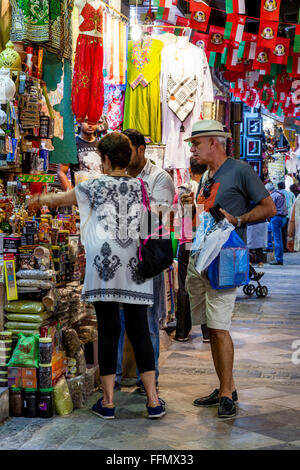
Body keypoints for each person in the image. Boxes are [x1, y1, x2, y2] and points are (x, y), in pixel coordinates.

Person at [29, 132, 166, 420]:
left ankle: (108, 401)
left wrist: (38, 198)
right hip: (135, 267)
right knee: (139, 330)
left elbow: (59, 200)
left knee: (108, 329)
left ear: (104, 159)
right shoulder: (142, 186)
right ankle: (153, 401)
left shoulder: (91, 187)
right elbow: (153, 221)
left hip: (104, 268)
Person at [181, 120, 275, 419]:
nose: (193, 149)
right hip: (202, 256)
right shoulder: (207, 175)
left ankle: (226, 394)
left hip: (224, 259)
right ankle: (226, 387)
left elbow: (269, 208)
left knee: (219, 327)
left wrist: (239, 219)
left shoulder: (240, 170)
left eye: (196, 143)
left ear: (214, 143)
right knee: (211, 325)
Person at [114, 129, 175, 394]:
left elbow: (156, 218)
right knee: (117, 320)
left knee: (149, 322)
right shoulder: (117, 175)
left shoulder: (159, 178)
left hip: (147, 259)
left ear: (141, 150)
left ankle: (148, 379)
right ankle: (114, 376)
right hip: (120, 258)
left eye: (129, 151)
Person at [175, 158, 210, 343]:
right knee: (204, 285)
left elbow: (174, 217)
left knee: (184, 287)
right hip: (203, 243)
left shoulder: (183, 189)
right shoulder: (208, 188)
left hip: (186, 242)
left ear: (188, 169)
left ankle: (182, 332)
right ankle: (207, 333)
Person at [57, 119, 102, 190]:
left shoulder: (102, 145)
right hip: (80, 195)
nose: (90, 125)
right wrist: (72, 195)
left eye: (93, 121)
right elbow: (61, 172)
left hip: (99, 195)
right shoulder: (70, 145)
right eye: (86, 121)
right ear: (79, 122)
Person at [266, 182, 288, 265]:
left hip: (276, 218)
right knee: (268, 230)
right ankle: (269, 246)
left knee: (277, 239)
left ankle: (279, 259)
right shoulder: (280, 194)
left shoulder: (273, 196)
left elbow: (269, 208)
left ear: (268, 190)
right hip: (283, 218)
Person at [277, 181, 295, 251]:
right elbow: (294, 204)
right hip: (290, 215)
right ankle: (291, 247)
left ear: (278, 187)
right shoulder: (291, 194)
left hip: (282, 215)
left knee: (282, 232)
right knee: (290, 232)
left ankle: (285, 247)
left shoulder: (278, 194)